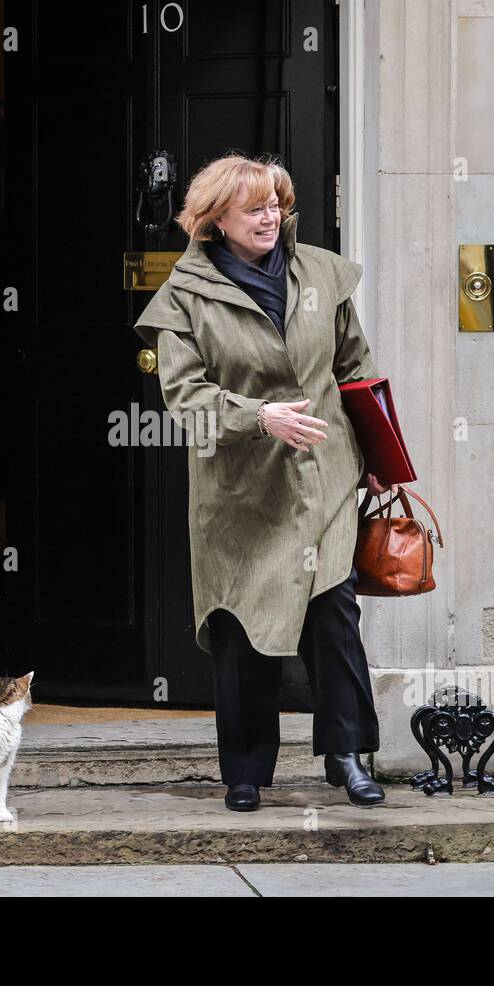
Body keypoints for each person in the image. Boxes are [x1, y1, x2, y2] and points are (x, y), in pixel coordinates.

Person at [133, 153, 387, 812]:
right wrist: (259, 417)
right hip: (238, 492)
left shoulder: (321, 274)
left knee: (333, 617)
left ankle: (349, 756)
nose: (271, 216)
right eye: (255, 208)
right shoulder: (186, 295)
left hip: (324, 478)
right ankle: (245, 771)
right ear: (216, 218)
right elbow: (184, 395)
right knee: (242, 628)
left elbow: (356, 366)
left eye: (276, 202)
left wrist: (382, 455)